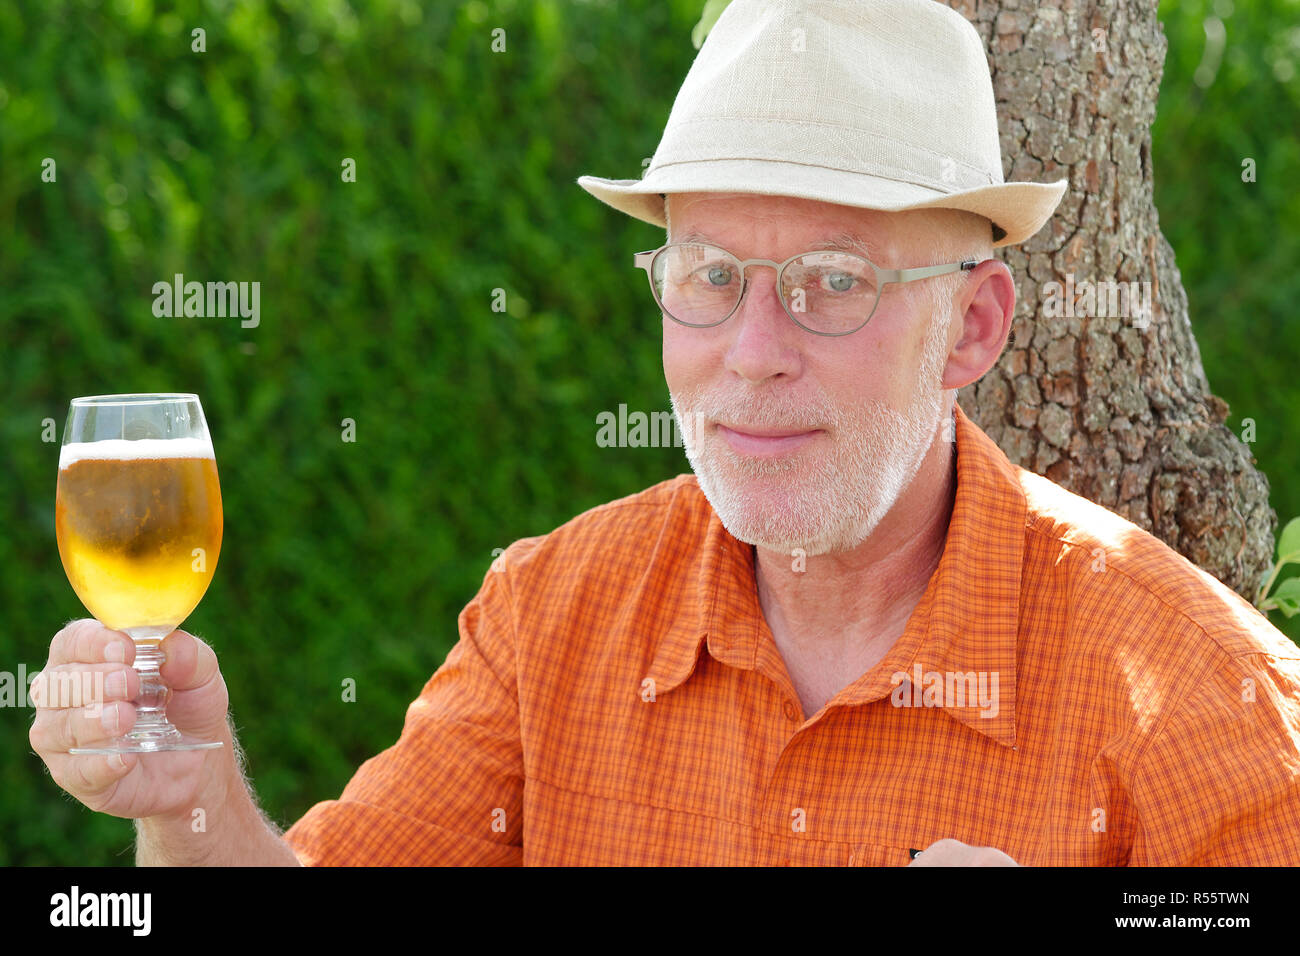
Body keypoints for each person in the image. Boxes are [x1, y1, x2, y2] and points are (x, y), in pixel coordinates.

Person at [31, 0, 1300, 866]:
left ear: (971, 327)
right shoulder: (552, 616)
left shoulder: (1203, 695)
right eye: (709, 276)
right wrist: (193, 804)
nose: (753, 350)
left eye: (832, 282)